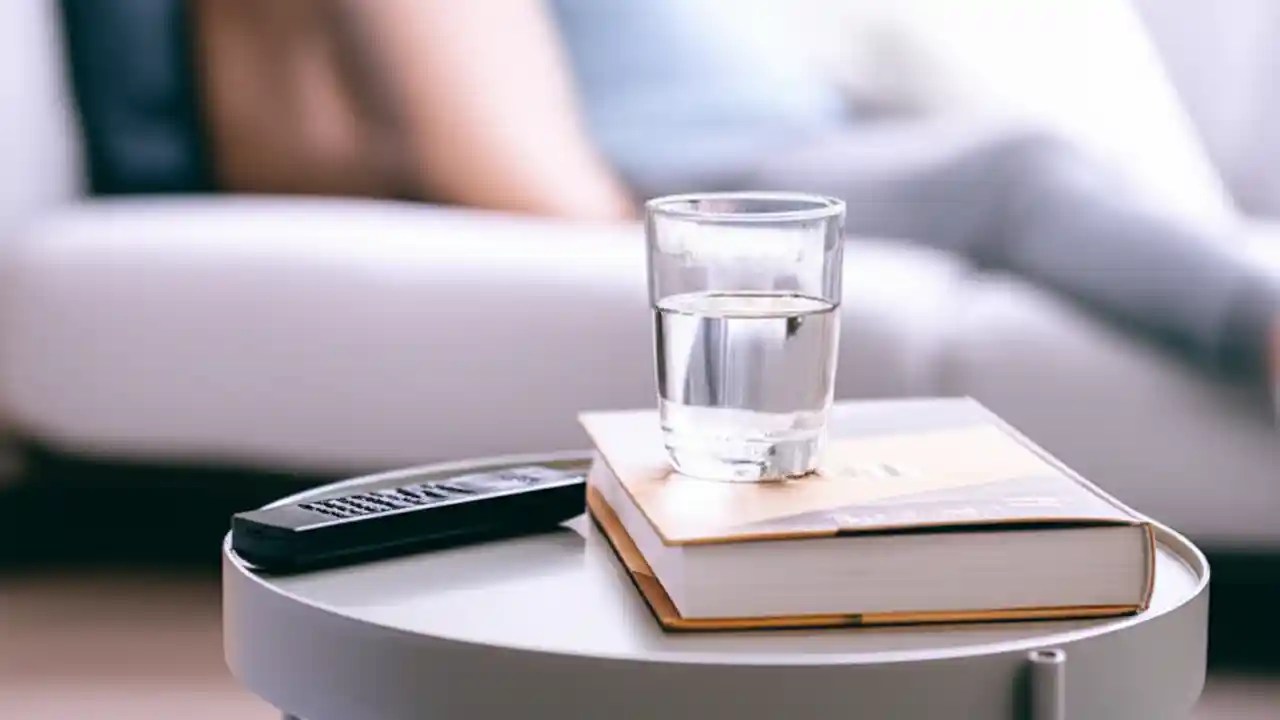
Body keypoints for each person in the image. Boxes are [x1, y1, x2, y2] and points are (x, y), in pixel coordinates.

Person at [194, 0, 1280, 392]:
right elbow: (506, 163)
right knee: (1020, 170)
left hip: (814, 123)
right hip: (715, 167)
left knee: (1034, 155)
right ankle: (1261, 325)